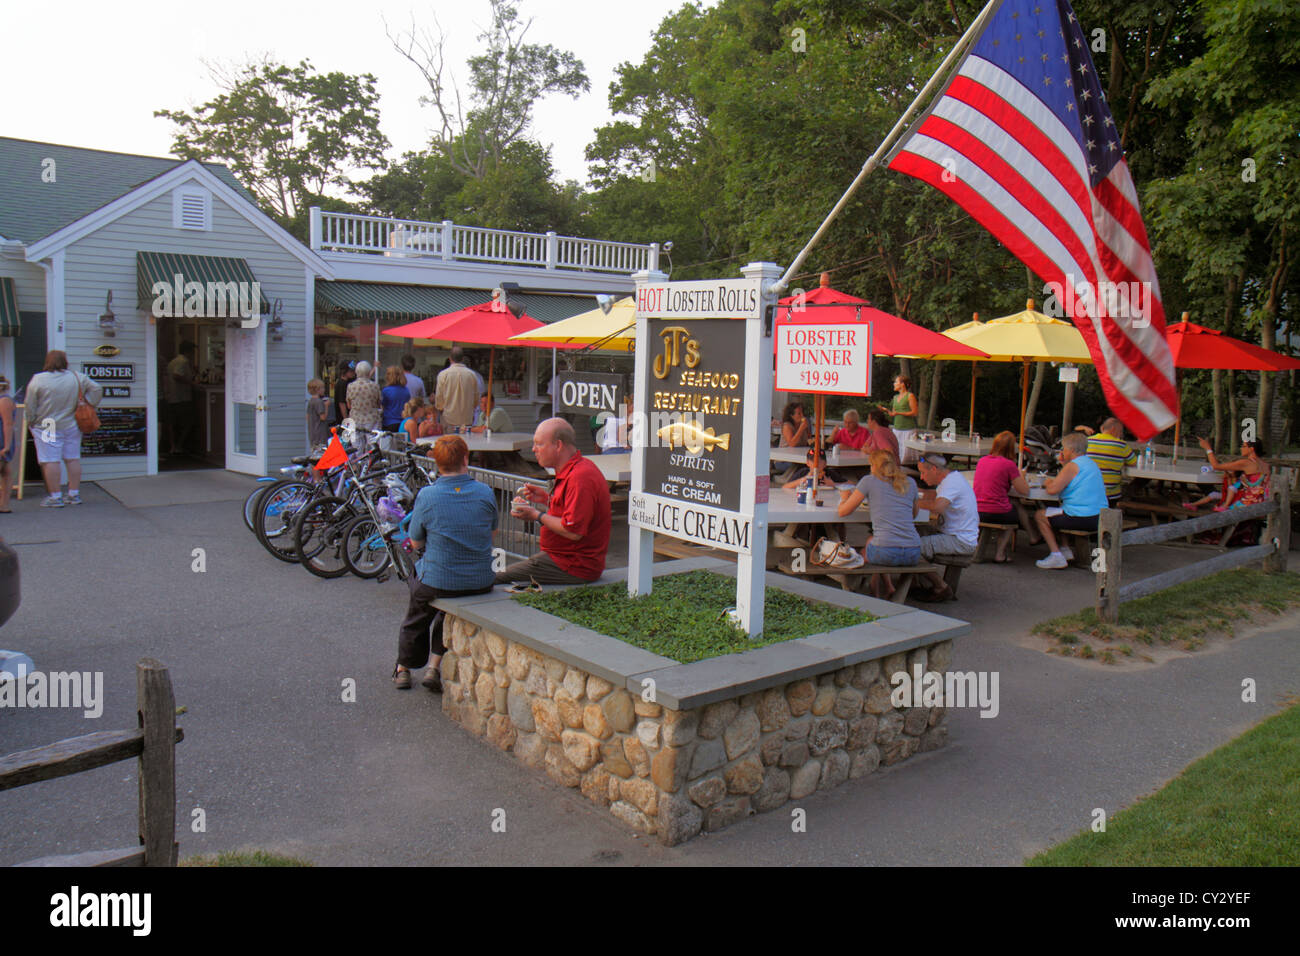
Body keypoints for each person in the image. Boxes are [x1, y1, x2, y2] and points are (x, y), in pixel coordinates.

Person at [394, 434, 498, 690]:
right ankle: (434, 667)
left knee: (416, 614)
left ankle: (403, 669)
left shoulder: (428, 496)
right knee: (444, 609)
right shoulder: (485, 492)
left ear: (436, 463)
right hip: (479, 581)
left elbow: (415, 542)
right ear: (466, 458)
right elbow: (491, 532)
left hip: (438, 580)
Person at [496, 418, 611, 585]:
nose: (534, 450)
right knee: (500, 573)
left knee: (495, 577)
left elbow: (573, 531)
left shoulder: (579, 477)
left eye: (539, 444)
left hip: (574, 565)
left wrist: (536, 515)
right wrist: (545, 499)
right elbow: (572, 511)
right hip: (563, 559)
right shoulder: (576, 468)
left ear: (558, 445)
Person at [838, 449, 921, 599]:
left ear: (874, 466)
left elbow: (843, 512)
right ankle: (882, 587)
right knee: (875, 540)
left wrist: (844, 498)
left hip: (885, 551)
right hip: (913, 551)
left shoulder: (869, 481)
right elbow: (914, 514)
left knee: (871, 545)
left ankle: (865, 590)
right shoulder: (910, 483)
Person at [24, 350, 102, 508]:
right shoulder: (77, 377)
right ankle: (74, 494)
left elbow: (30, 404)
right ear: (65, 361)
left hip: (47, 423)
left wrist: (30, 420)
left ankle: (55, 496)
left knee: (50, 459)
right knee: (72, 458)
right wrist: (89, 403)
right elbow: (97, 389)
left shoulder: (39, 379)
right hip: (72, 422)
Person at [1034, 432, 1109, 569]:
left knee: (1040, 515)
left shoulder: (1072, 466)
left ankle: (1056, 555)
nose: (1062, 451)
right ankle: (1065, 549)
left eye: (1064, 448)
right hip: (1099, 516)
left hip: (1081, 517)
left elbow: (1052, 490)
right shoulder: (1091, 464)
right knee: (1058, 509)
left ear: (1072, 450)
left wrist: (1047, 483)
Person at [912, 452, 980, 599]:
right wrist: (913, 492)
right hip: (954, 534)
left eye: (923, 472)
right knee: (912, 532)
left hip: (960, 540)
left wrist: (912, 502)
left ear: (934, 469)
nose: (922, 477)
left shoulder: (952, 483)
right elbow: (933, 495)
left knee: (910, 546)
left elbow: (938, 507)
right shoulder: (951, 480)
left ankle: (940, 587)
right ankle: (919, 583)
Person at [973, 430, 1033, 562]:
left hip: (976, 509)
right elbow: (1024, 491)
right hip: (995, 511)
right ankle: (1000, 553)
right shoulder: (1009, 465)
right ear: (1011, 448)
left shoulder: (982, 461)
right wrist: (1021, 476)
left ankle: (1033, 536)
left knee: (1010, 504)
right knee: (1013, 511)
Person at [1193, 437, 1270, 511]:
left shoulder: (1246, 463)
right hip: (1261, 502)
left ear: (1251, 449)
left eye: (1243, 446)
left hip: (1247, 503)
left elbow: (1216, 466)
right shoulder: (1266, 465)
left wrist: (1208, 448)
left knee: (1216, 511)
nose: (1241, 448)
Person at [1076, 417, 1137, 507]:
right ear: (1113, 429)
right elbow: (1133, 463)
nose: (1121, 434)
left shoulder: (1087, 441)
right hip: (1109, 495)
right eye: (1120, 431)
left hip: (1085, 490)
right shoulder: (1121, 445)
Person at [164, 341, 198, 456]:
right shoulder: (183, 361)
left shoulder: (172, 361)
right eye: (193, 351)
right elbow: (176, 375)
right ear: (188, 351)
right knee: (187, 422)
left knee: (173, 423)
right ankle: (179, 446)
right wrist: (191, 383)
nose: (194, 353)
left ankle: (173, 446)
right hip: (181, 397)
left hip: (171, 396)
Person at [435, 347, 480, 430]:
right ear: (462, 358)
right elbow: (476, 399)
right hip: (467, 419)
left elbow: (439, 399)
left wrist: (441, 409)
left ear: (450, 358)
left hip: (449, 418)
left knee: (449, 442)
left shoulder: (443, 375)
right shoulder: (472, 375)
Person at [879, 375, 919, 463]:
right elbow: (893, 414)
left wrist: (899, 413)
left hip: (908, 429)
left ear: (902, 384)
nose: (894, 384)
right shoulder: (895, 397)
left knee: (905, 455)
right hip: (897, 428)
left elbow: (915, 412)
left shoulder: (910, 396)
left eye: (896, 382)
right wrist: (886, 410)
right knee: (895, 453)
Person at [346, 361, 382, 431]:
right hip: (372, 419)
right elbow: (378, 404)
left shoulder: (351, 386)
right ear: (368, 372)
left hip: (355, 419)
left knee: (357, 441)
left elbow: (349, 406)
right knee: (372, 441)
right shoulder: (375, 386)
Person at [0, 375, 16, 513]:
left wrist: (7, 445)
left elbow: (8, 424)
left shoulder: (4, 401)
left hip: (2, 439)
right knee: (6, 472)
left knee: (5, 471)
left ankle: (4, 504)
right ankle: (3, 505)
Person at [380, 365, 410, 433]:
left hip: (389, 422)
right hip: (402, 422)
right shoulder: (406, 390)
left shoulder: (386, 391)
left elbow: (382, 405)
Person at [306, 379, 332, 448]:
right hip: (320, 434)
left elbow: (307, 416)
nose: (324, 390)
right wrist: (326, 406)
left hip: (312, 434)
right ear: (318, 389)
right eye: (322, 388)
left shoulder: (310, 401)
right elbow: (323, 417)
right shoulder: (319, 402)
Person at [332, 360, 355, 426]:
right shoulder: (342, 384)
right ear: (344, 372)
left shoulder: (348, 382)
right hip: (342, 418)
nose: (353, 373)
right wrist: (346, 420)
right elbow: (342, 403)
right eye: (351, 371)